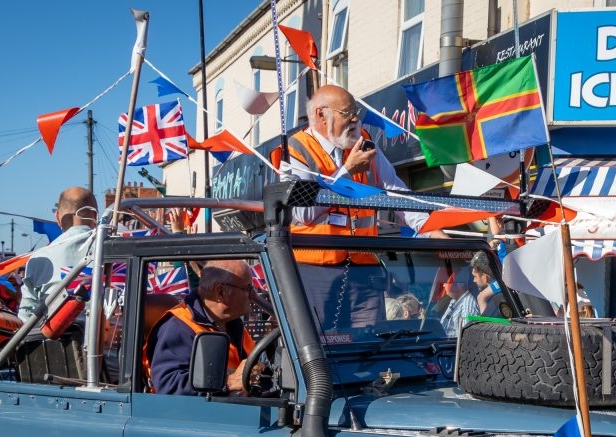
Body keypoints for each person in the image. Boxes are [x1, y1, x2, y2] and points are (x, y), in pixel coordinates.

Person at [277, 84, 443, 328]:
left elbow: (396, 193)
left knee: (369, 346)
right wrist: (347, 172)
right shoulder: (296, 148)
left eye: (356, 111)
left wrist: (432, 229)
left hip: (363, 269)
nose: (355, 118)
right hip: (315, 269)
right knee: (319, 349)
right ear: (321, 115)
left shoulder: (364, 143)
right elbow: (303, 214)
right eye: (347, 113)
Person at [146, 261, 256, 395]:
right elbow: (169, 385)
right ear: (220, 292)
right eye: (248, 288)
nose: (253, 295)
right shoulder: (177, 327)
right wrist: (228, 382)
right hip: (195, 414)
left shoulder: (233, 323)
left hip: (237, 407)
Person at [18, 187, 98, 323]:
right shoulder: (117, 251)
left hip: (55, 340)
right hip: (110, 339)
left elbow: (26, 317)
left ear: (57, 217)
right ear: (95, 216)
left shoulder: (39, 259)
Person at [439, 267, 480, 337]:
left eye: (446, 282)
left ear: (458, 284)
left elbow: (468, 335)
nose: (443, 285)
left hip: (452, 346)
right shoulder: (454, 300)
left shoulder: (468, 303)